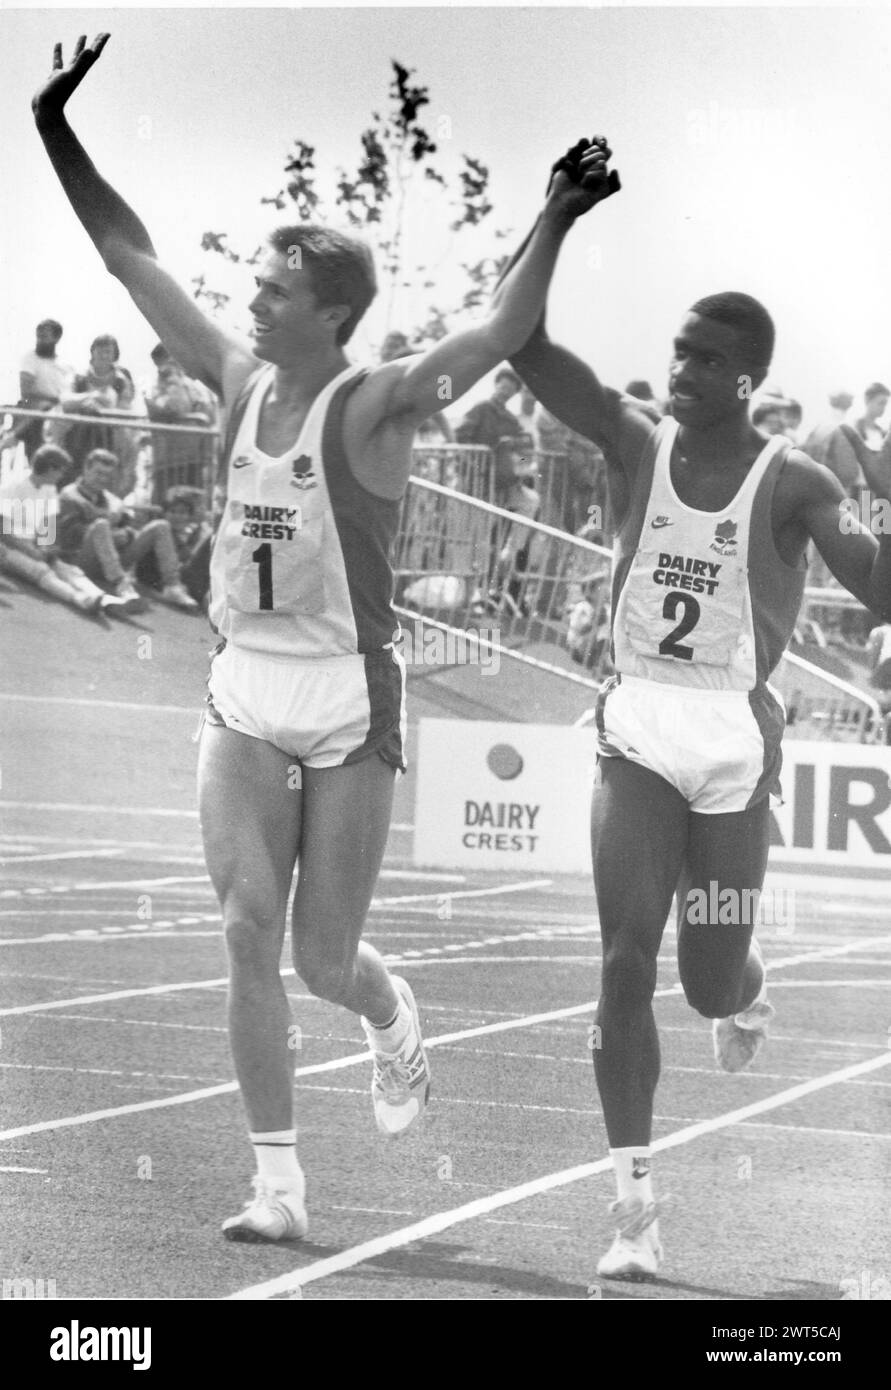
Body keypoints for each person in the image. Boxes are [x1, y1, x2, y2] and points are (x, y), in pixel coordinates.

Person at [33, 34, 619, 1243]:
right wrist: (55, 129)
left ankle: (390, 1011)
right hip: (245, 690)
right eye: (254, 287)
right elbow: (130, 255)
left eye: (275, 290)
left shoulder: (377, 404)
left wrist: (554, 217)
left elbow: (497, 329)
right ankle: (281, 1186)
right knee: (244, 928)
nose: (251, 300)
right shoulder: (235, 378)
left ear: (332, 312)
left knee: (321, 957)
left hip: (350, 697)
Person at [499, 140, 891, 1282]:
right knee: (623, 958)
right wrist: (554, 215)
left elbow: (876, 588)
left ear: (747, 378)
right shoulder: (633, 437)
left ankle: (746, 987)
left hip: (730, 741)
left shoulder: (797, 481)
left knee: (706, 978)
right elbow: (519, 342)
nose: (680, 369)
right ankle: (633, 1207)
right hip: (637, 727)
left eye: (705, 359)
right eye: (675, 350)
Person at [57, 446, 199, 611]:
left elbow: (129, 527)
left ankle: (173, 586)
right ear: (86, 469)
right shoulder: (69, 495)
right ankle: (123, 585)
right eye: (98, 473)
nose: (102, 479)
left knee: (161, 525)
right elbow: (69, 537)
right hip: (81, 561)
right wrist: (108, 528)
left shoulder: (111, 499)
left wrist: (126, 533)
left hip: (113, 559)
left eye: (107, 475)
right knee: (101, 525)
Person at [0, 442, 133, 614]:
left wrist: (46, 548)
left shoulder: (49, 488)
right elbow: (4, 532)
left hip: (33, 545)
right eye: (60, 471)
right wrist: (31, 551)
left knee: (68, 569)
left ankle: (101, 597)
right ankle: (79, 599)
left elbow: (48, 526)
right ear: (50, 469)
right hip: (9, 548)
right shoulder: (13, 486)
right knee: (40, 569)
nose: (62, 475)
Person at [61, 333, 137, 484]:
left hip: (110, 432)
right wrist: (91, 397)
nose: (103, 355)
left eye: (108, 351)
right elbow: (65, 400)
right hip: (77, 431)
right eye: (99, 351)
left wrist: (104, 407)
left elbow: (125, 411)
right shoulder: (78, 376)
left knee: (130, 443)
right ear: (92, 352)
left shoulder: (121, 381)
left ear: (114, 356)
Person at [1, 320, 73, 460]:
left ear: (57, 338)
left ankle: (14, 436)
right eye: (38, 336)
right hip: (35, 407)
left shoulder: (65, 365)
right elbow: (26, 391)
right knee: (43, 407)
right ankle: (12, 437)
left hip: (60, 411)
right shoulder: (30, 358)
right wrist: (55, 399)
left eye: (44, 337)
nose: (39, 340)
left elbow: (70, 391)